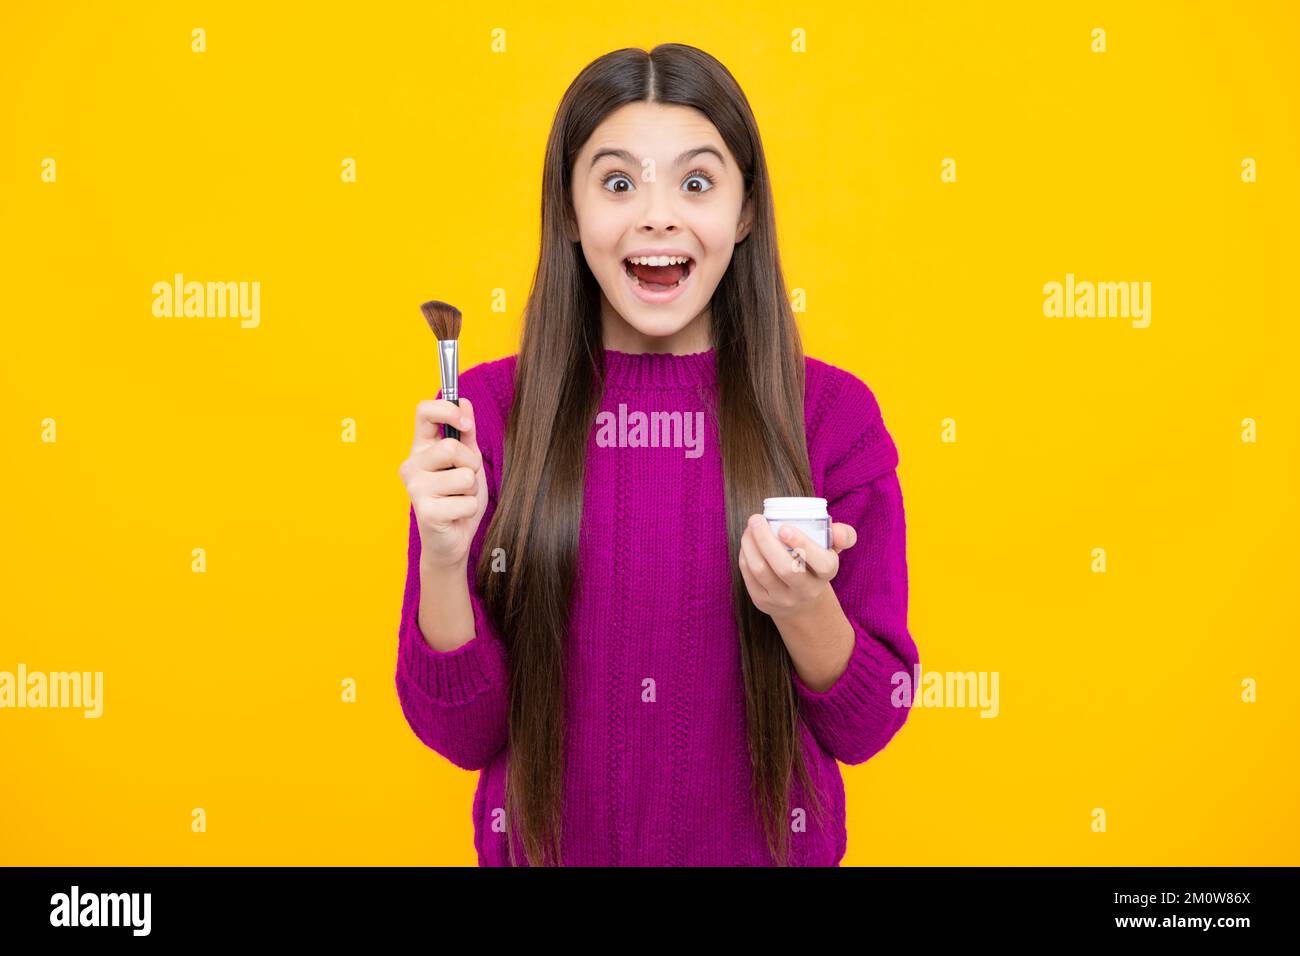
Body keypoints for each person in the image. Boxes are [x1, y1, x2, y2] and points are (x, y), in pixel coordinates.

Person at [396, 43, 918, 866]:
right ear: (568, 210)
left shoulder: (831, 418)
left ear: (746, 211)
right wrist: (442, 554)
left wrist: (803, 609)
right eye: (616, 182)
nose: (657, 216)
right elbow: (463, 735)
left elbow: (868, 723)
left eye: (697, 182)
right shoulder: (488, 417)